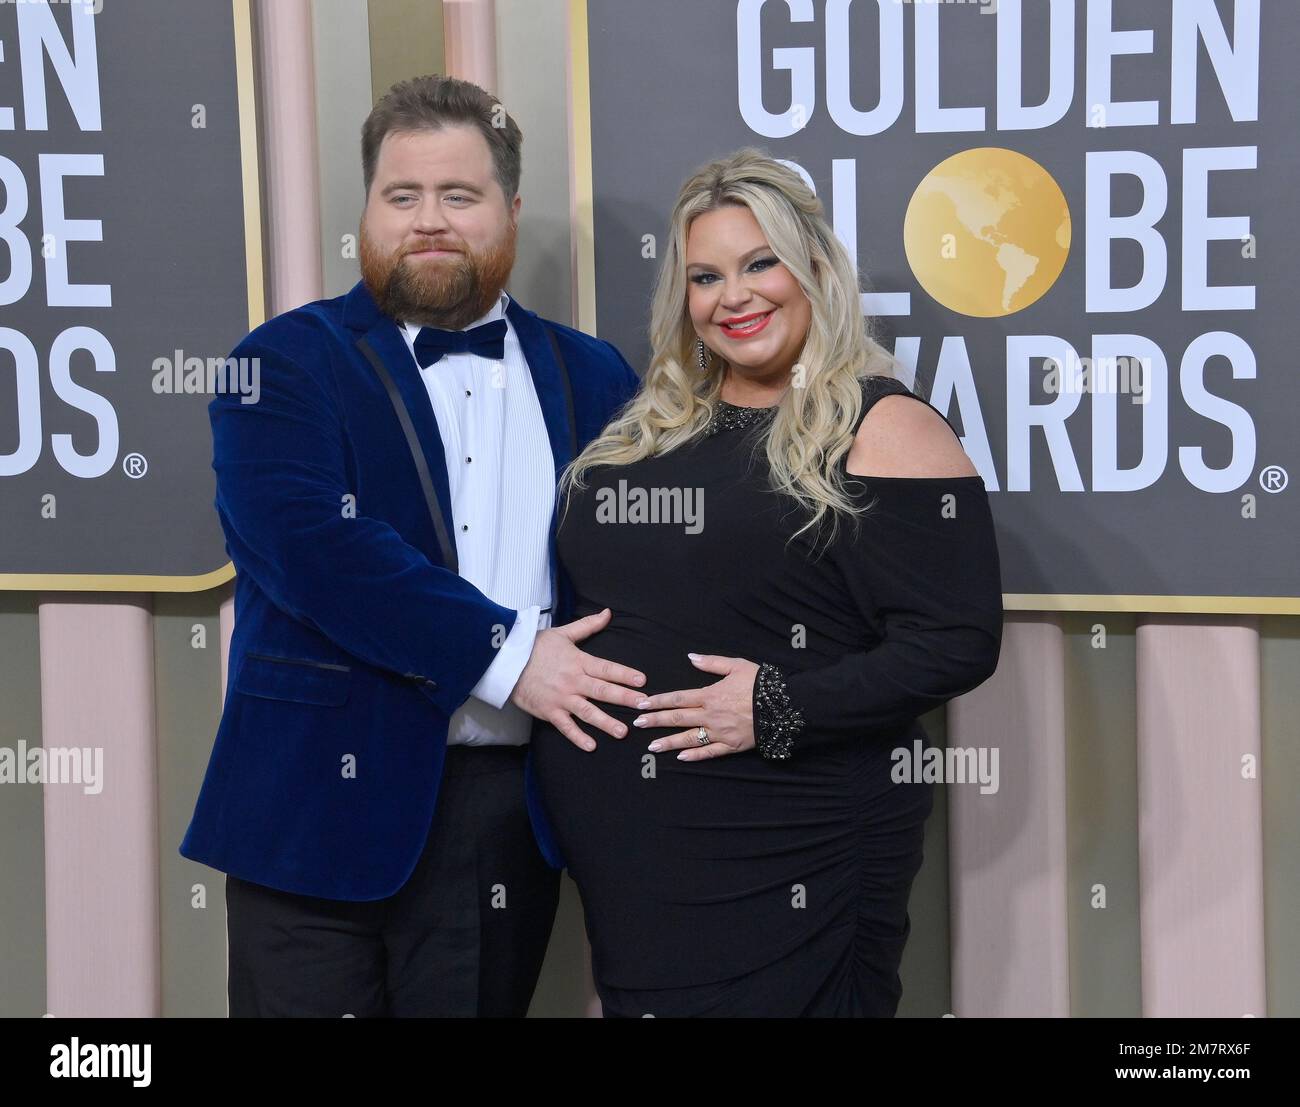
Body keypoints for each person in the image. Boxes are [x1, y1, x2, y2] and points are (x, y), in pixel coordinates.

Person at [180, 75, 649, 1017]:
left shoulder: (594, 373)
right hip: (311, 806)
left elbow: (641, 563)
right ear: (367, 211)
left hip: (505, 819)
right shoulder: (279, 362)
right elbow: (315, 548)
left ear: (510, 210)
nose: (428, 221)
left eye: (459, 196)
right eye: (402, 196)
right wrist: (511, 657)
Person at [530, 149, 1005, 1017]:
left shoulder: (885, 424)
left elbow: (957, 640)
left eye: (760, 263)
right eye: (705, 276)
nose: (732, 297)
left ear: (816, 268)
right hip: (635, 864)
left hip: (793, 843)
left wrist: (775, 706)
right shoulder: (653, 425)